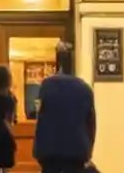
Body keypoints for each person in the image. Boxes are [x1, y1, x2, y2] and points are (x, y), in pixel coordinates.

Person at [33, 42, 96, 173]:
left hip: (50, 153)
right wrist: (88, 151)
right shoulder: (84, 89)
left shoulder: (46, 86)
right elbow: (91, 124)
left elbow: (40, 119)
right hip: (77, 152)